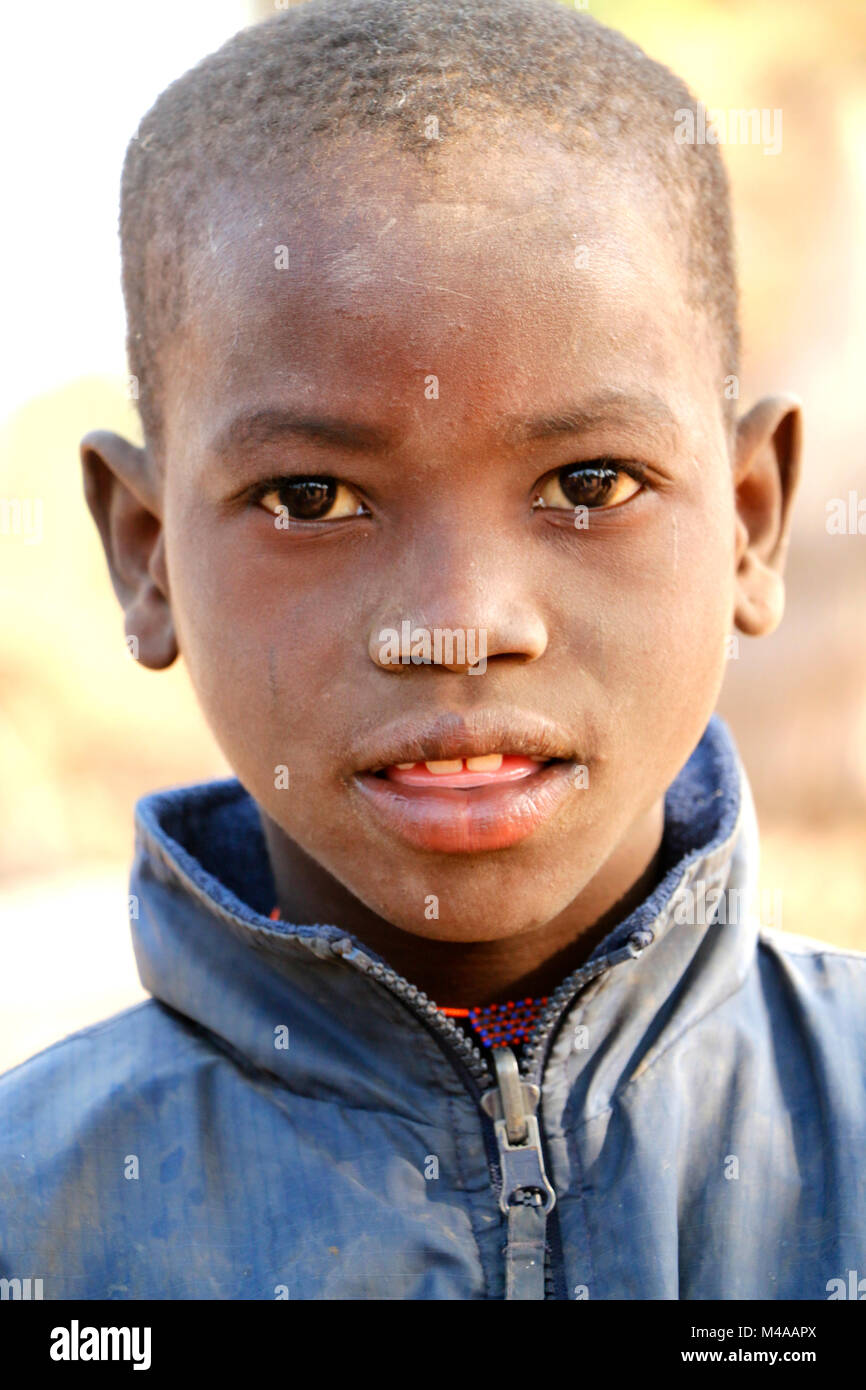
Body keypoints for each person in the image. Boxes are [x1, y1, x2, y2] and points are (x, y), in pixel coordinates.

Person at [1, 0, 863, 1301]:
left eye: (587, 479)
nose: (457, 621)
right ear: (146, 552)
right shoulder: (38, 1221)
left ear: (748, 518)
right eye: (309, 499)